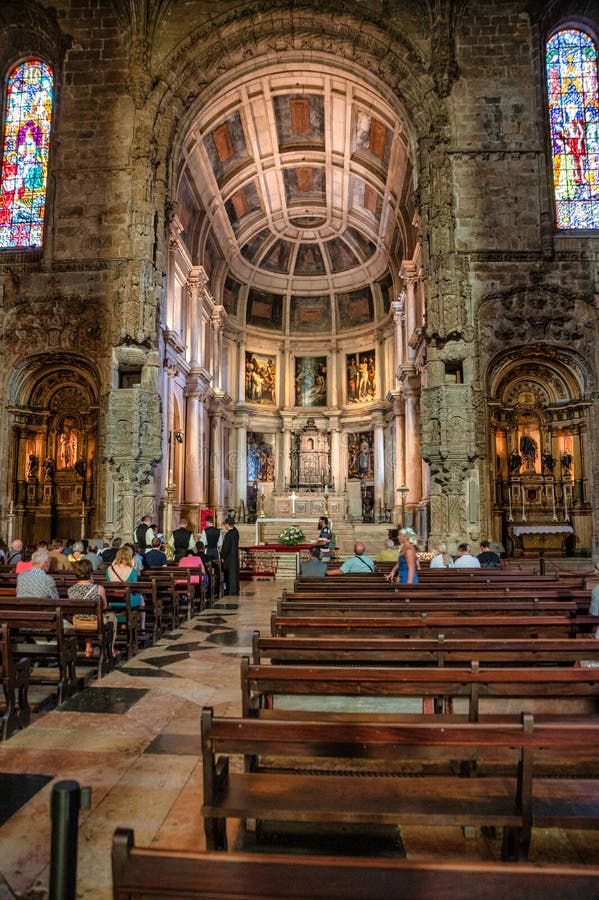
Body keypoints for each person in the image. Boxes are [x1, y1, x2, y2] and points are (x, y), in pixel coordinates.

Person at [68, 559, 118, 659]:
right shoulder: (99, 588)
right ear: (90, 572)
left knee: (86, 616)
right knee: (113, 618)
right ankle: (111, 649)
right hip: (95, 623)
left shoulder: (70, 590)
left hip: (78, 622)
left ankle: (88, 647)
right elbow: (104, 606)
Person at [106, 544, 145, 630]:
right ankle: (142, 627)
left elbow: (109, 582)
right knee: (142, 600)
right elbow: (134, 587)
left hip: (113, 599)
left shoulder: (109, 569)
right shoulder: (132, 571)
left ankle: (123, 625)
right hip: (128, 600)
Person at [221, 516, 240, 596]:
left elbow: (226, 548)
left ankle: (228, 589)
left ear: (228, 524)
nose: (225, 526)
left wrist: (222, 556)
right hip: (235, 556)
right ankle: (235, 588)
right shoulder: (236, 532)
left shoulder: (228, 534)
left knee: (228, 573)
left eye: (225, 525)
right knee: (234, 572)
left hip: (229, 557)